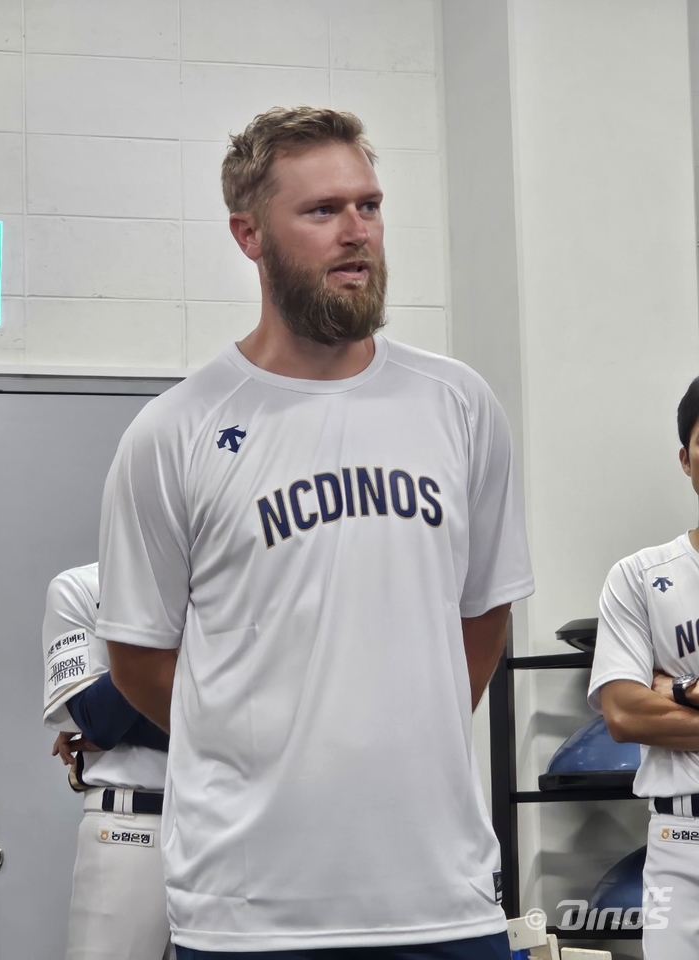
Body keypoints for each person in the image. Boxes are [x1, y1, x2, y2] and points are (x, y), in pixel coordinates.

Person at [96, 106, 534, 960]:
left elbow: (483, 617)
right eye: (323, 210)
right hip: (249, 912)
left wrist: (406, 728)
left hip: (442, 899)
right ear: (249, 235)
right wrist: (264, 747)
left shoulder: (458, 404)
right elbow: (141, 659)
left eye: (368, 206)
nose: (356, 232)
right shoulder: (175, 431)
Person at [589, 375, 699, 958]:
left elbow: (649, 703)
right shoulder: (639, 575)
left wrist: (674, 689)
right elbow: (625, 715)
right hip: (682, 839)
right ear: (686, 458)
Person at [42, 562, 174, 960]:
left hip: (230, 815)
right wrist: (166, 611)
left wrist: (119, 732)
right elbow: (96, 716)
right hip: (131, 824)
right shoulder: (80, 586)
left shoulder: (226, 577)